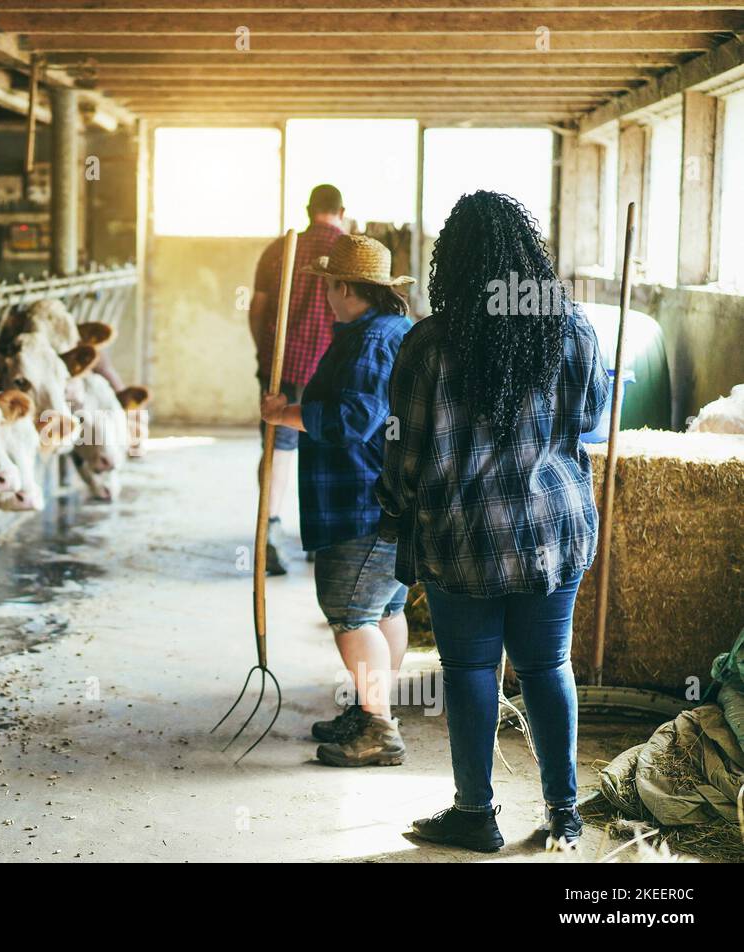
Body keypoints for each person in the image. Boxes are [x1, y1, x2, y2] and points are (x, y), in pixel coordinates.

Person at [376, 191, 610, 852]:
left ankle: (475, 813)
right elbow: (589, 419)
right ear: (529, 257)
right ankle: (564, 813)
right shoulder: (571, 328)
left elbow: (408, 451)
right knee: (547, 666)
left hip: (462, 539)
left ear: (451, 264)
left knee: (471, 672)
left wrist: (395, 511)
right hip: (552, 533)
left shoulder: (428, 345)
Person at [260, 234, 414, 767]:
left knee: (351, 613)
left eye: (328, 284)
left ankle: (379, 728)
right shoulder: (387, 330)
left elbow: (354, 419)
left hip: (362, 501)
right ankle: (373, 710)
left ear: (345, 286)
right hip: (387, 498)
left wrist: (284, 415)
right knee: (385, 608)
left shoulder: (370, 341)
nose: (324, 293)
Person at [249, 184, 345, 575]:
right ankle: (321, 540)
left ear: (309, 210)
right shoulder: (351, 250)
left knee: (278, 446)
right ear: (342, 210)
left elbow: (256, 309)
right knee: (328, 447)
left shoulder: (279, 249)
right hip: (334, 367)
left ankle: (268, 533)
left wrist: (265, 353)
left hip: (282, 368)